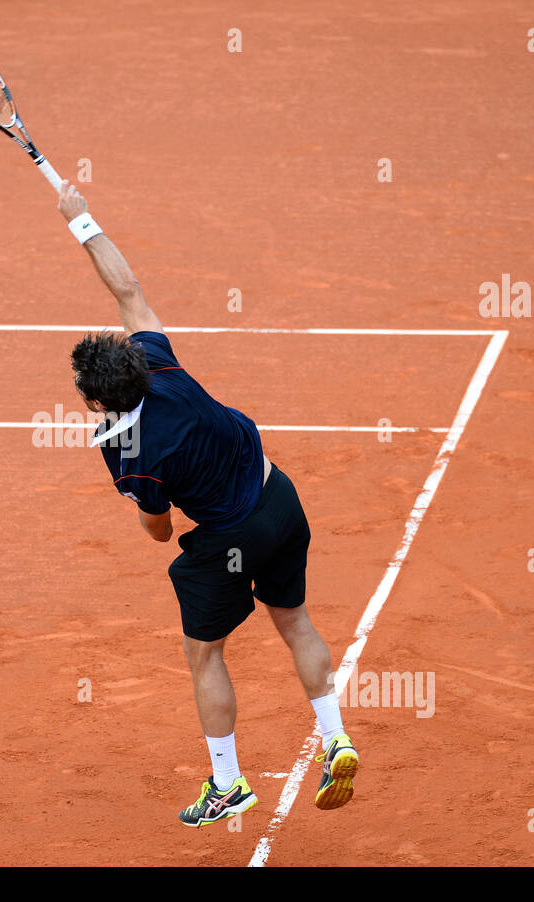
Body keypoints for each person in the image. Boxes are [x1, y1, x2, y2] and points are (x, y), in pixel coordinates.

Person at [57, 183, 360, 826]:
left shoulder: (126, 445)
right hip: (281, 498)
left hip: (230, 538)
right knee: (295, 622)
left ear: (101, 401)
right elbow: (127, 289)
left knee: (205, 653)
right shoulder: (159, 364)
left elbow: (160, 531)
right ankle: (337, 738)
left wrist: (150, 507)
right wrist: (79, 218)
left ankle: (228, 782)